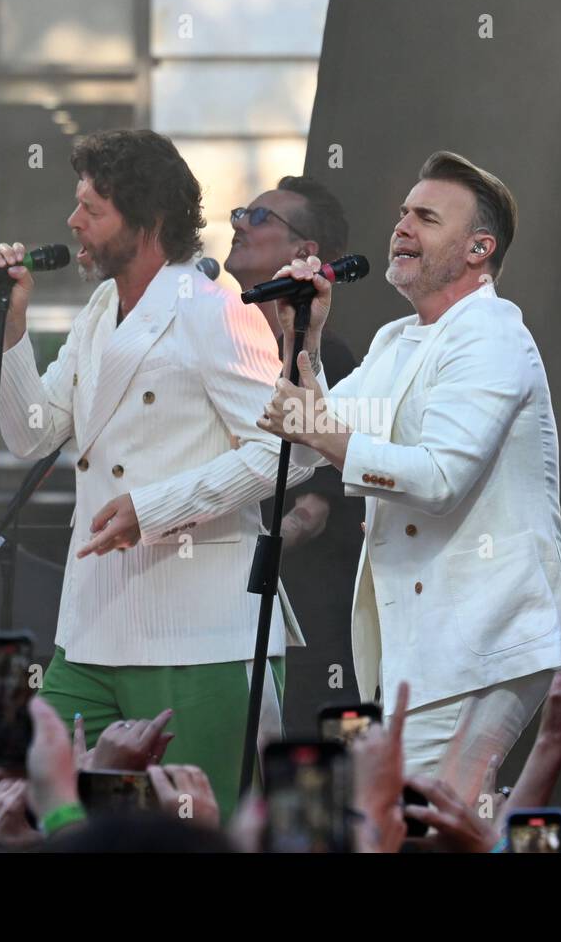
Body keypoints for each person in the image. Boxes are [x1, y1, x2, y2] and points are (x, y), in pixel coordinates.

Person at [0, 130, 312, 815]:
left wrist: (152, 509)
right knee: (46, 813)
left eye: (92, 208)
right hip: (94, 623)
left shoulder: (218, 310)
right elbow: (29, 432)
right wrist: (10, 329)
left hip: (200, 632)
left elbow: (289, 451)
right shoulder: (101, 310)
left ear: (148, 221)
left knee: (196, 828)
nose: (73, 223)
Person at [258, 150, 561, 803]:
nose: (402, 227)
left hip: (485, 630)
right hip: (425, 639)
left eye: (426, 216)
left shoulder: (492, 334)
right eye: (403, 213)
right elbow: (315, 432)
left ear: (478, 248)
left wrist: (317, 429)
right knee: (419, 819)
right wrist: (303, 337)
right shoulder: (396, 341)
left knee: (420, 815)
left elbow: (441, 476)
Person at [224, 174, 364, 734]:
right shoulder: (220, 341)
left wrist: (247, 558)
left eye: (260, 219)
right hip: (228, 608)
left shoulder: (330, 356)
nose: (239, 224)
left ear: (304, 252)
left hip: (304, 611)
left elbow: (314, 507)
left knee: (303, 769)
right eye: (241, 212)